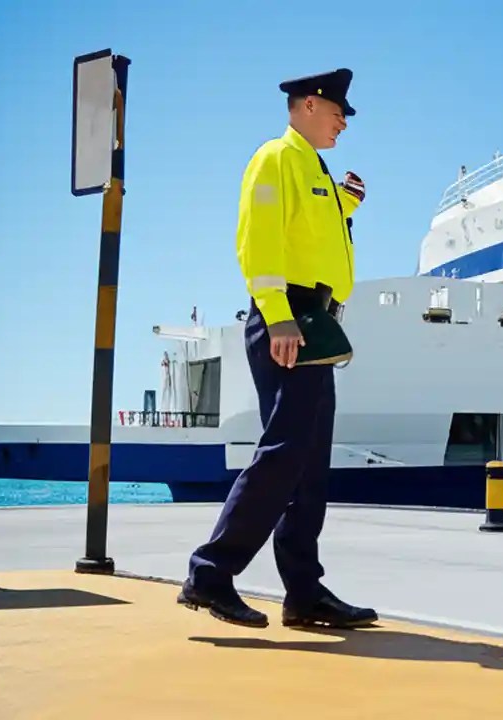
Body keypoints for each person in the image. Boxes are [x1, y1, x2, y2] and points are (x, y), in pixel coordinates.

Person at [178, 67, 377, 630]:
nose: (343, 121)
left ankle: (304, 592)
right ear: (308, 104)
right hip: (288, 318)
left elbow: (308, 235)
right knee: (284, 452)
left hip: (314, 323)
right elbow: (259, 240)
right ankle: (210, 573)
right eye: (338, 110)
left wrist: (345, 206)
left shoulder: (314, 170)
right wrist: (279, 315)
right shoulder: (275, 157)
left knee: (309, 463)